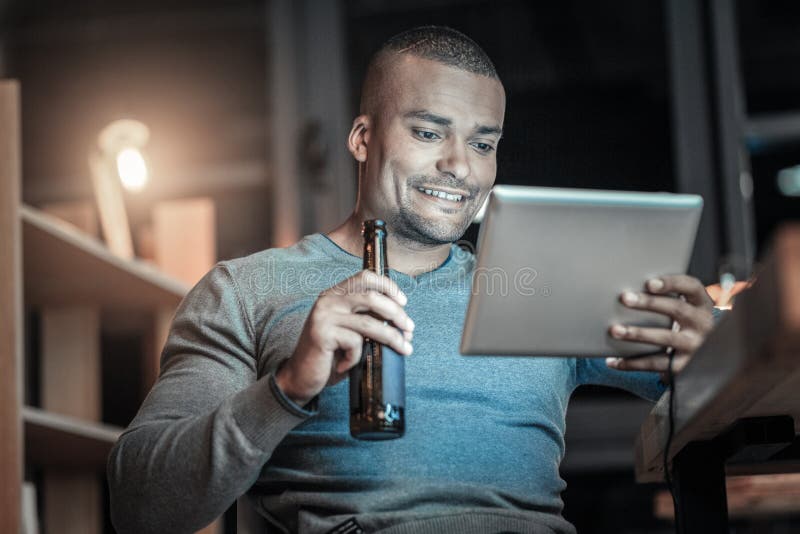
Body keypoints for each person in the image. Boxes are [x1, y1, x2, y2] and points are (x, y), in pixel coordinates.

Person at [108, 26, 716, 534]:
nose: (460, 166)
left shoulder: (537, 283)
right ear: (362, 138)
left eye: (483, 143)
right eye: (428, 133)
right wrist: (289, 386)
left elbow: (733, 394)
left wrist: (711, 354)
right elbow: (140, 504)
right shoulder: (245, 291)